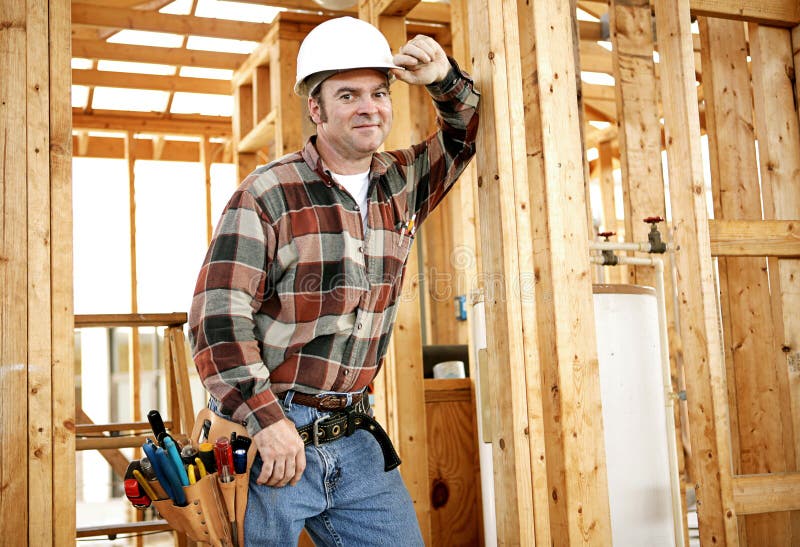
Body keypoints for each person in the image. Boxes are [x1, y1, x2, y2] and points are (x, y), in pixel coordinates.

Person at [189, 16, 479, 545]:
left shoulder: (400, 182)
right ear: (316, 110)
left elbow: (463, 136)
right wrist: (266, 421)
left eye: (378, 92)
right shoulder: (268, 193)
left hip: (356, 434)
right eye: (348, 95)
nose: (369, 107)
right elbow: (217, 321)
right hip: (269, 438)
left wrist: (443, 79)